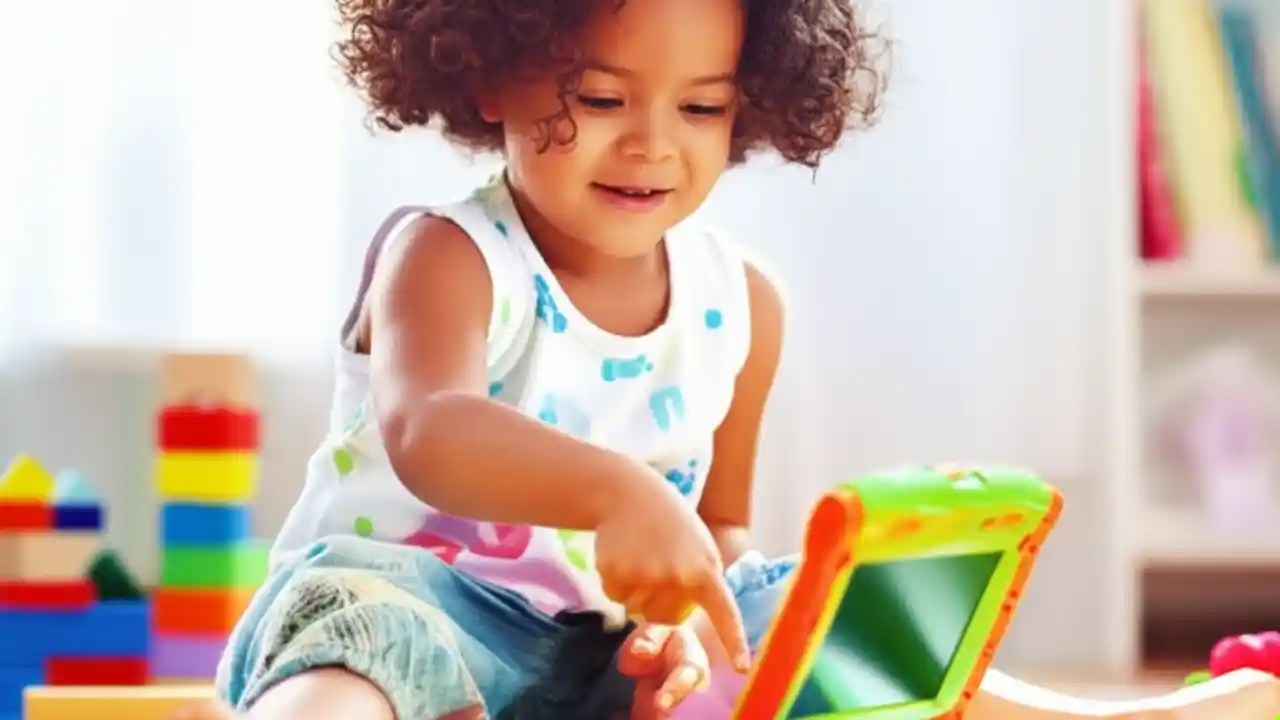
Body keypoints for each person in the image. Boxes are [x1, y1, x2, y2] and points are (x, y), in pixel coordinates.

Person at [182, 0, 1280, 718]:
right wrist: (612, 494)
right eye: (601, 98)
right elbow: (428, 430)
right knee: (357, 643)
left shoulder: (738, 303)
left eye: (699, 108)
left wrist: (679, 633)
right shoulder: (449, 254)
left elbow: (716, 535)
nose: (653, 142)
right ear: (490, 80)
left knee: (807, 608)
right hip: (415, 613)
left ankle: (1088, 714)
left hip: (597, 655)